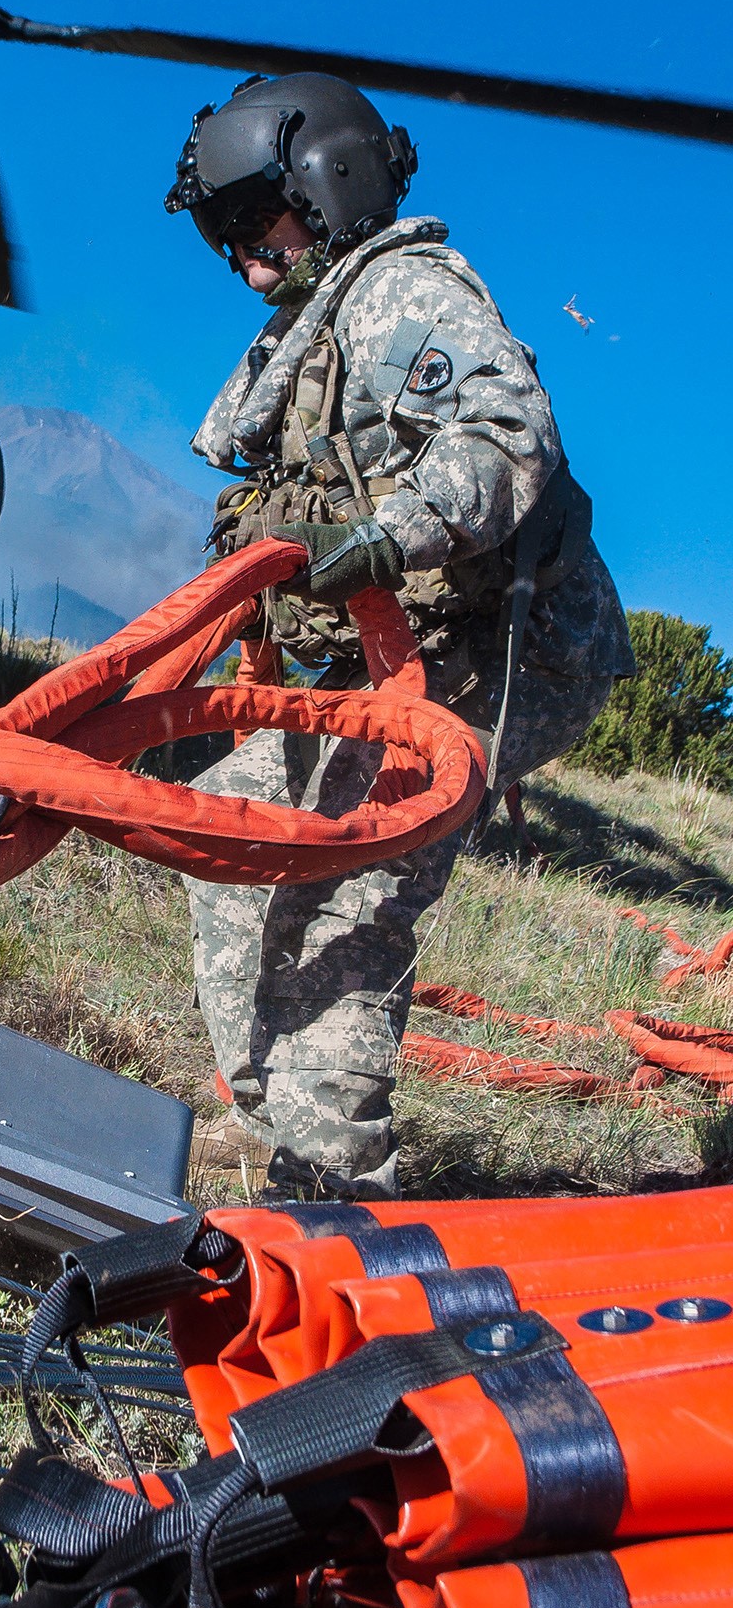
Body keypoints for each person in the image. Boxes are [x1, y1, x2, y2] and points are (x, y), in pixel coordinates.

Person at [165, 71, 633, 1200]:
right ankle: (280, 1129)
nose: (240, 256)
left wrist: (385, 537)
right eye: (220, 234)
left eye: (250, 220)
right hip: (400, 661)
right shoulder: (305, 337)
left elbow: (507, 432)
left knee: (349, 881)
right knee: (230, 846)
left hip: (509, 648)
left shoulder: (400, 293)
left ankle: (336, 1203)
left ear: (324, 186)